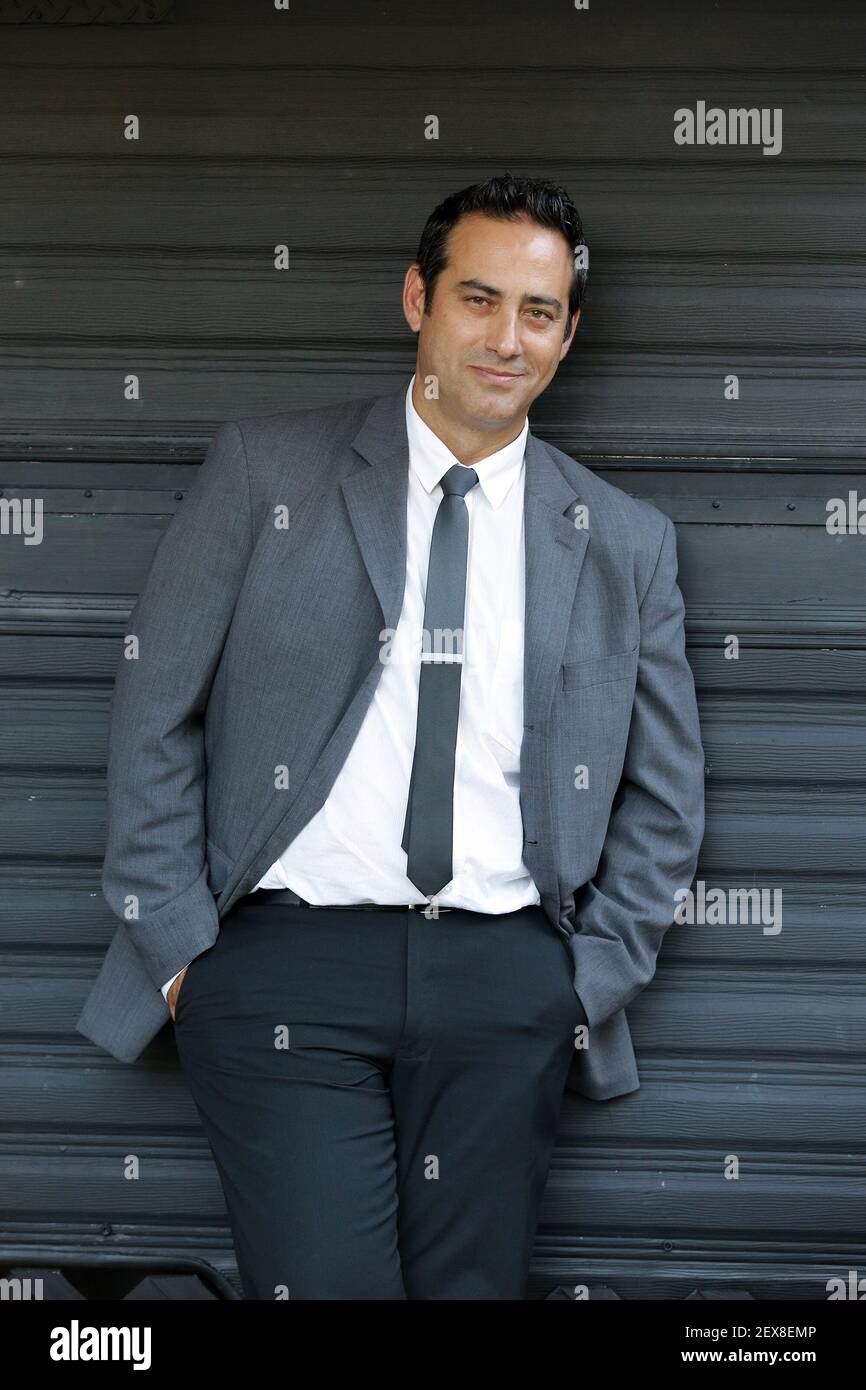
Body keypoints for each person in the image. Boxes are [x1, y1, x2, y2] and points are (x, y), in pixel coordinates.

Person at [76, 173, 705, 1299]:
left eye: (538, 310)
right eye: (477, 298)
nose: (505, 338)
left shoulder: (621, 539)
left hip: (508, 979)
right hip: (282, 970)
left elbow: (663, 800)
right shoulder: (266, 473)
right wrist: (183, 960)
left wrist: (582, 982)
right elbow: (150, 711)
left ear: (567, 332)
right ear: (416, 297)